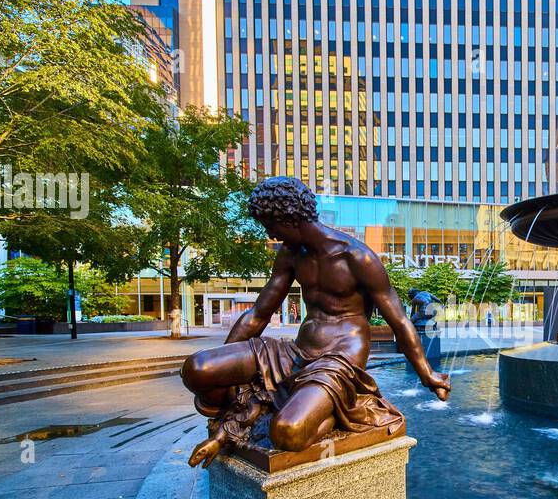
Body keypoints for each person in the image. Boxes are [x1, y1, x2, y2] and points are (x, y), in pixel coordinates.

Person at [180, 177, 449, 465]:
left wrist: (426, 374)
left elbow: (399, 321)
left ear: (290, 218)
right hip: (294, 354)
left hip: (338, 361)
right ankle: (247, 417)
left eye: (271, 224)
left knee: (287, 432)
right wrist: (226, 365)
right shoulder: (290, 255)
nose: (271, 233)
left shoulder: (357, 257)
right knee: (198, 368)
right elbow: (259, 314)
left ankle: (334, 409)